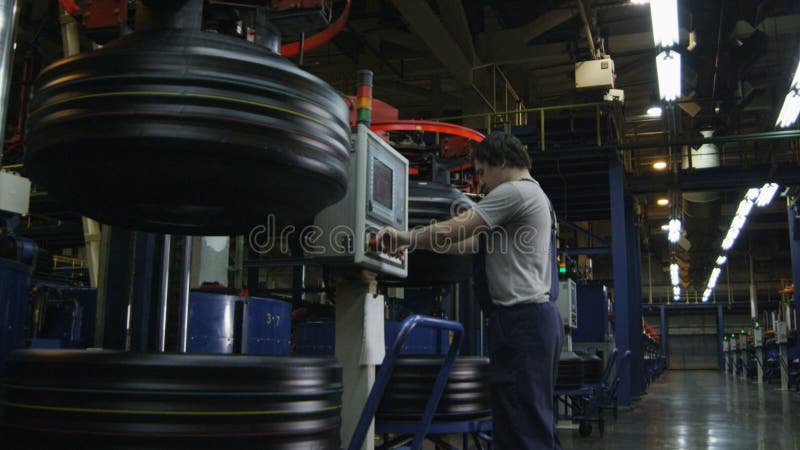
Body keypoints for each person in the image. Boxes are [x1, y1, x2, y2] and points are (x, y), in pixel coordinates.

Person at [377, 131, 564, 449]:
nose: (481, 183)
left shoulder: (516, 192)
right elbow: (467, 243)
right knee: (528, 422)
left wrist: (407, 237)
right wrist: (412, 248)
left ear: (502, 162)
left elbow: (459, 226)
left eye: (482, 172)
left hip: (521, 322)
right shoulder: (535, 197)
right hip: (530, 322)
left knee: (523, 430)